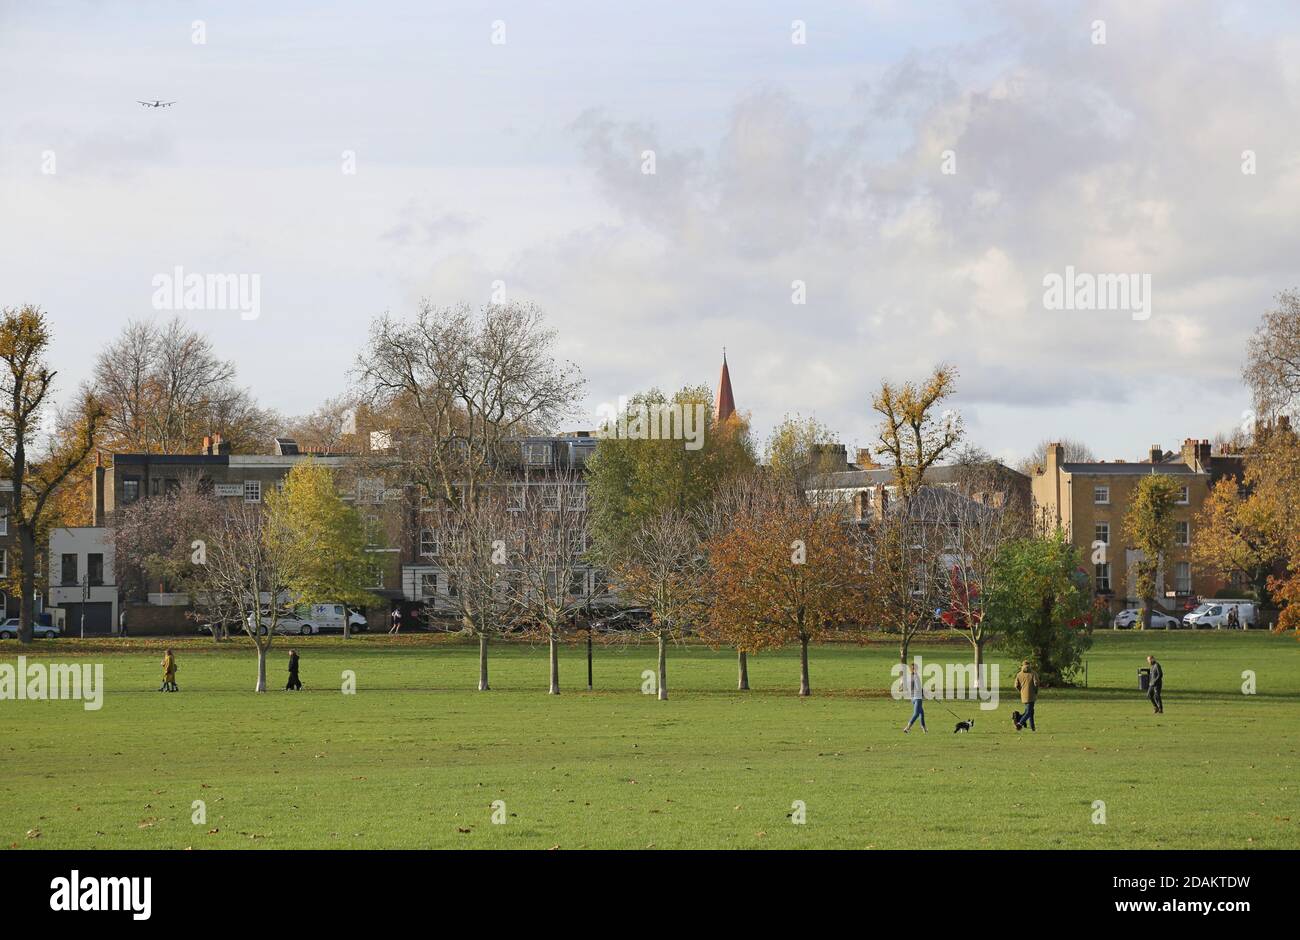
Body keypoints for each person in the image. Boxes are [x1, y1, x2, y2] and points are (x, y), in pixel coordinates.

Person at [902, 661, 926, 734]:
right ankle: (907, 728)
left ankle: (924, 728)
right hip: (918, 698)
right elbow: (918, 688)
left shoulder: (909, 677)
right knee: (916, 714)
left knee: (921, 712)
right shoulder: (916, 676)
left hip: (912, 698)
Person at [1014, 660, 1038, 731]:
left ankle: (1032, 727)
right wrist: (1035, 691)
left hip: (1023, 695)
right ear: (1029, 665)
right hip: (1032, 695)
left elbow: (1016, 685)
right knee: (1029, 712)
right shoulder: (1033, 673)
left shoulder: (1019, 674)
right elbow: (1036, 683)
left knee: (1030, 710)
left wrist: (1021, 691)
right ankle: (1019, 723)